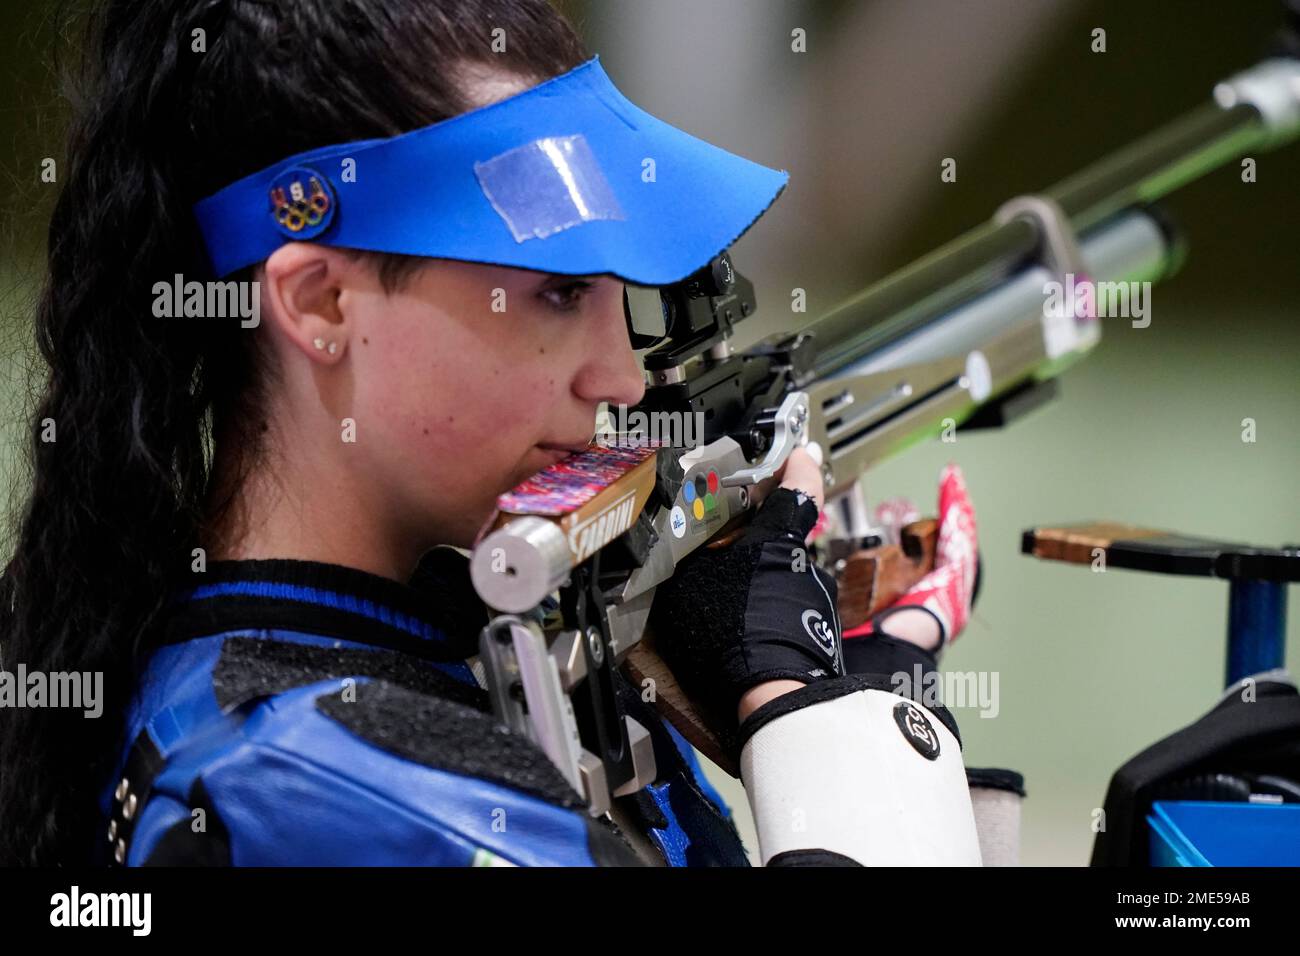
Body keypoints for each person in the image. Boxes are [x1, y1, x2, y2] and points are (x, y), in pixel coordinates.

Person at [0, 0, 981, 867]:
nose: (623, 375)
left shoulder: (454, 643)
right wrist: (809, 712)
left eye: (615, 294)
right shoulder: (307, 790)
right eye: (556, 290)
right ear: (320, 301)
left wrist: (842, 696)